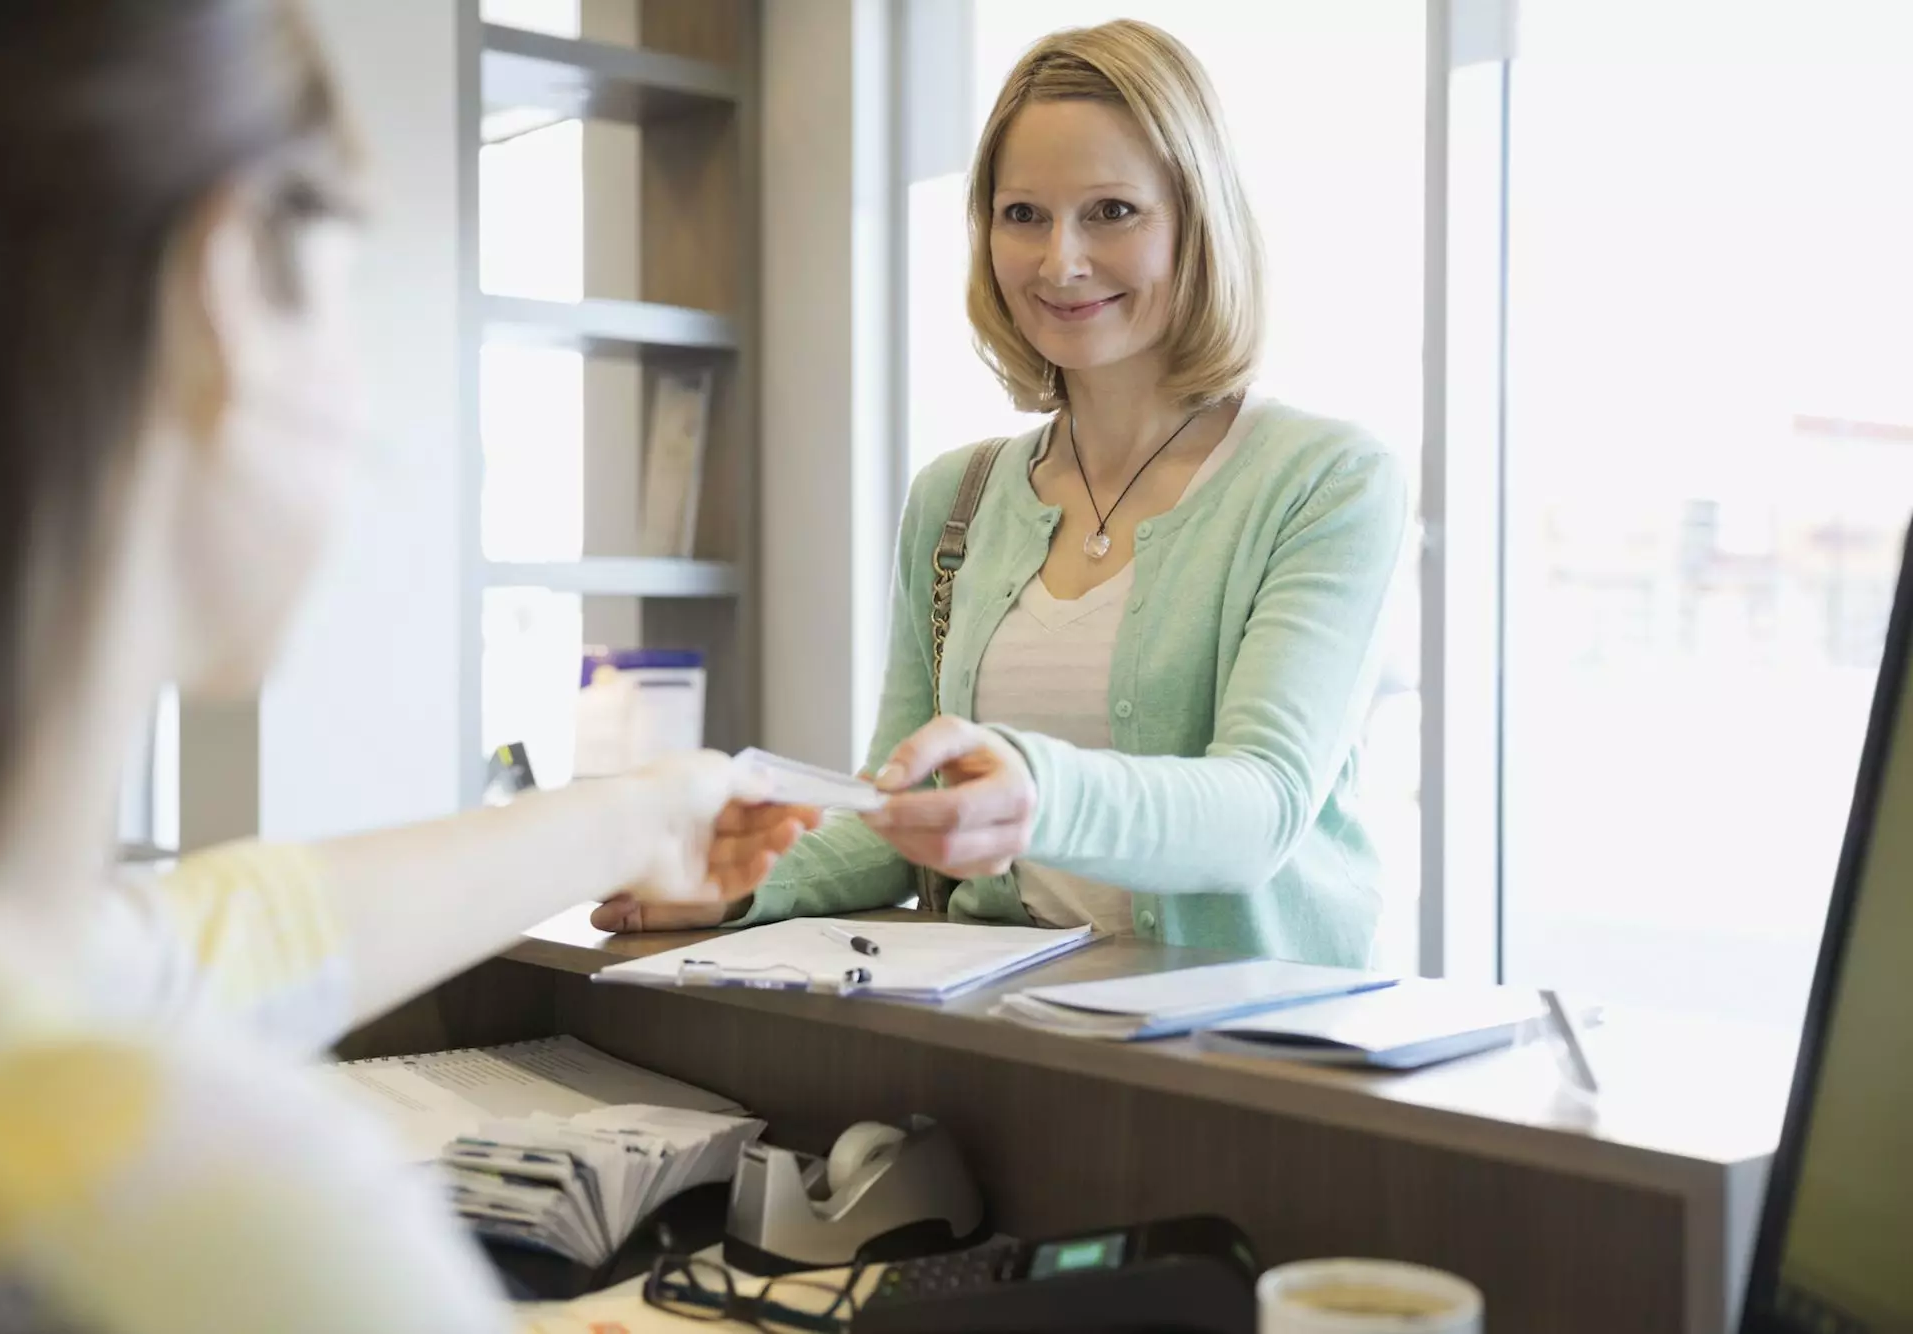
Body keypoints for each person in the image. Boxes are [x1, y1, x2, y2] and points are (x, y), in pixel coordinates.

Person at [0, 5, 811, 1332]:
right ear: (223, 289)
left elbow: (199, 943)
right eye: (346, 287)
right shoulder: (237, 1212)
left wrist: (640, 811)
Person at [597, 19, 1407, 967]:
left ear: (1196, 222)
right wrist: (736, 887)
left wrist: (1036, 795)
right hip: (1008, 1046)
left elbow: (1261, 807)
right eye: (1023, 214)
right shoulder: (957, 497)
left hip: (1237, 1071)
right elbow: (894, 819)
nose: (1060, 260)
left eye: (1112, 211)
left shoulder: (1325, 480)